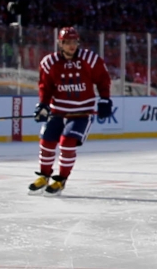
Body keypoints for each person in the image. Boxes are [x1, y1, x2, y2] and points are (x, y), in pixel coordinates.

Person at [29, 26, 112, 196]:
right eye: (67, 42)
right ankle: (44, 176)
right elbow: (45, 86)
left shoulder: (90, 59)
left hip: (82, 113)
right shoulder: (49, 62)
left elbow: (103, 79)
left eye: (74, 41)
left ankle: (61, 179)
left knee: (67, 143)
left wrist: (105, 99)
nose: (71, 45)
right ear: (60, 43)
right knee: (46, 142)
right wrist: (43, 104)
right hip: (58, 111)